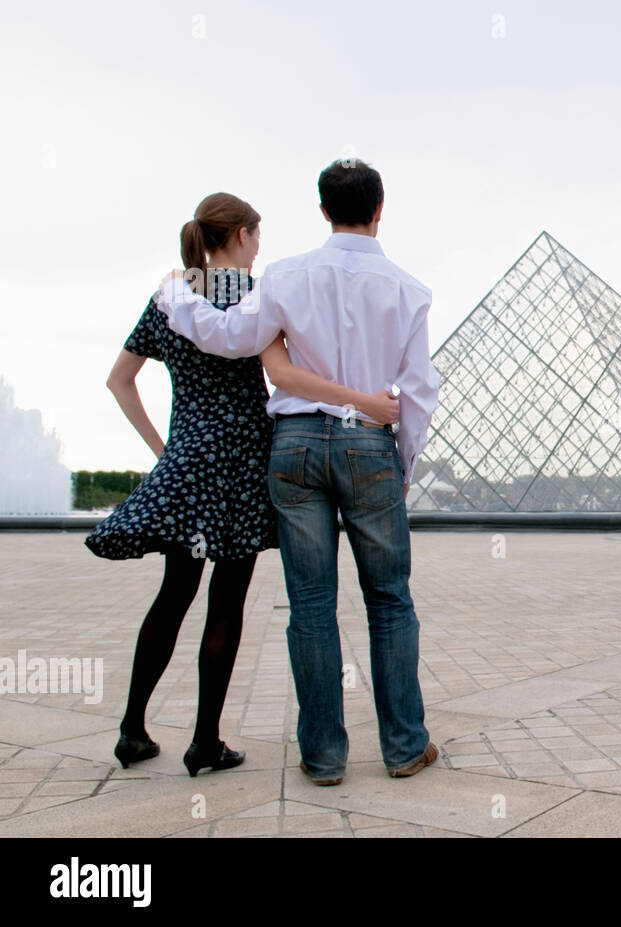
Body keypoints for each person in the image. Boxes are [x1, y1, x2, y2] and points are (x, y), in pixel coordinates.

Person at [88, 192, 401, 778]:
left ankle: (133, 729)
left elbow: (119, 381)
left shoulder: (169, 297)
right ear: (241, 236)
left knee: (172, 596)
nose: (261, 248)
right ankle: (205, 740)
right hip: (242, 462)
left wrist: (165, 453)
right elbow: (282, 367)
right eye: (258, 237)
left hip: (187, 462)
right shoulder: (260, 296)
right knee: (225, 605)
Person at [155, 160, 441, 786]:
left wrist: (176, 293)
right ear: (381, 208)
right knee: (389, 599)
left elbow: (229, 336)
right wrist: (405, 463)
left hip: (295, 446)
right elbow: (419, 391)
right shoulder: (409, 290)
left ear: (322, 210)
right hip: (369, 443)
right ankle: (402, 747)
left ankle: (323, 756)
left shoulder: (285, 275)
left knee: (310, 604)